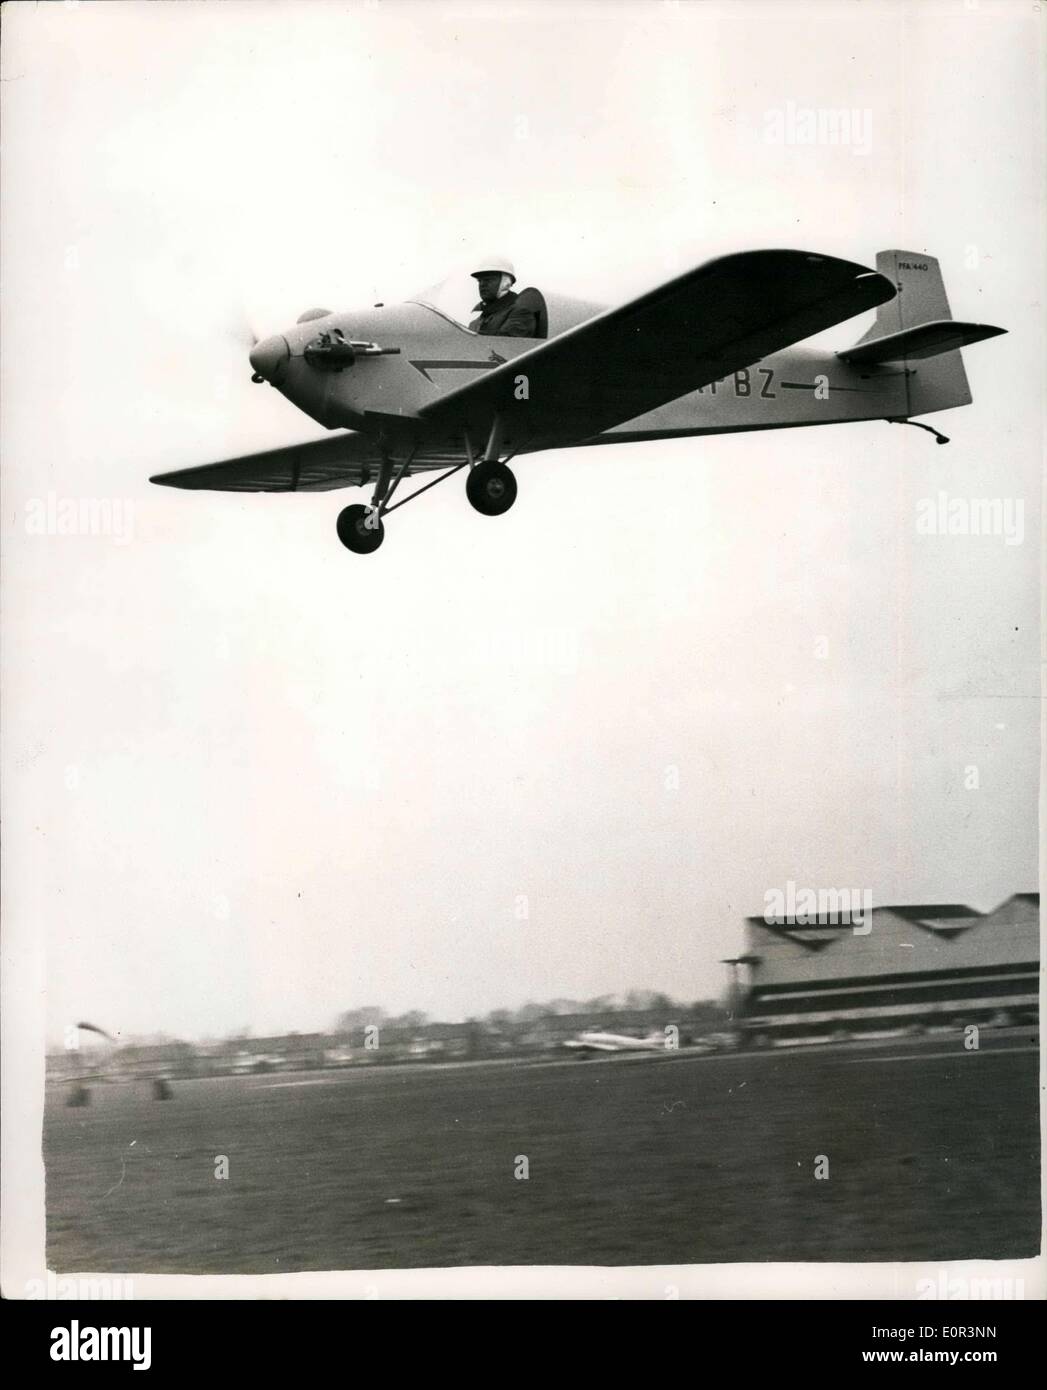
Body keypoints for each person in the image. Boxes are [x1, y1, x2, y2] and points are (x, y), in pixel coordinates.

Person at [468, 257, 545, 337]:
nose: (482, 284)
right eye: (479, 281)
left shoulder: (520, 313)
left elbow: (505, 345)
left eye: (488, 280)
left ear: (505, 282)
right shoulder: (474, 324)